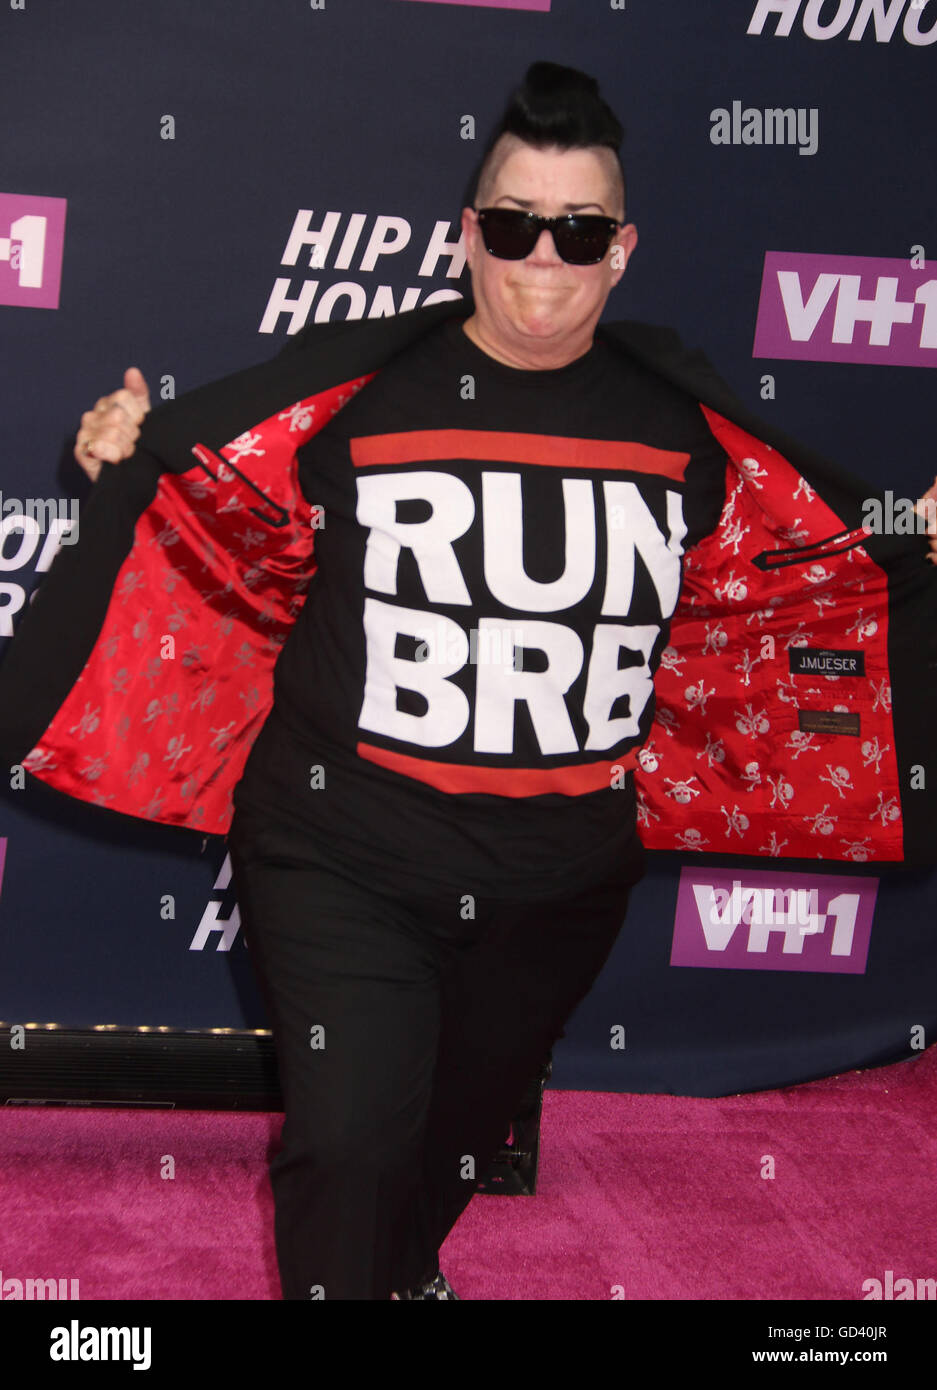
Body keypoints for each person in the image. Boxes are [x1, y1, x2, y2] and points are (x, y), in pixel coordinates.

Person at [22, 62, 937, 1301]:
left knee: (449, 1152)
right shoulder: (352, 399)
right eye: (512, 226)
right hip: (342, 852)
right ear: (467, 237)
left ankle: (404, 1275)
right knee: (347, 1145)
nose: (541, 260)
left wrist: (909, 545)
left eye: (576, 232)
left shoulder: (687, 431)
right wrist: (121, 459)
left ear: (621, 251)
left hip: (556, 883)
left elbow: (789, 580)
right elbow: (214, 519)